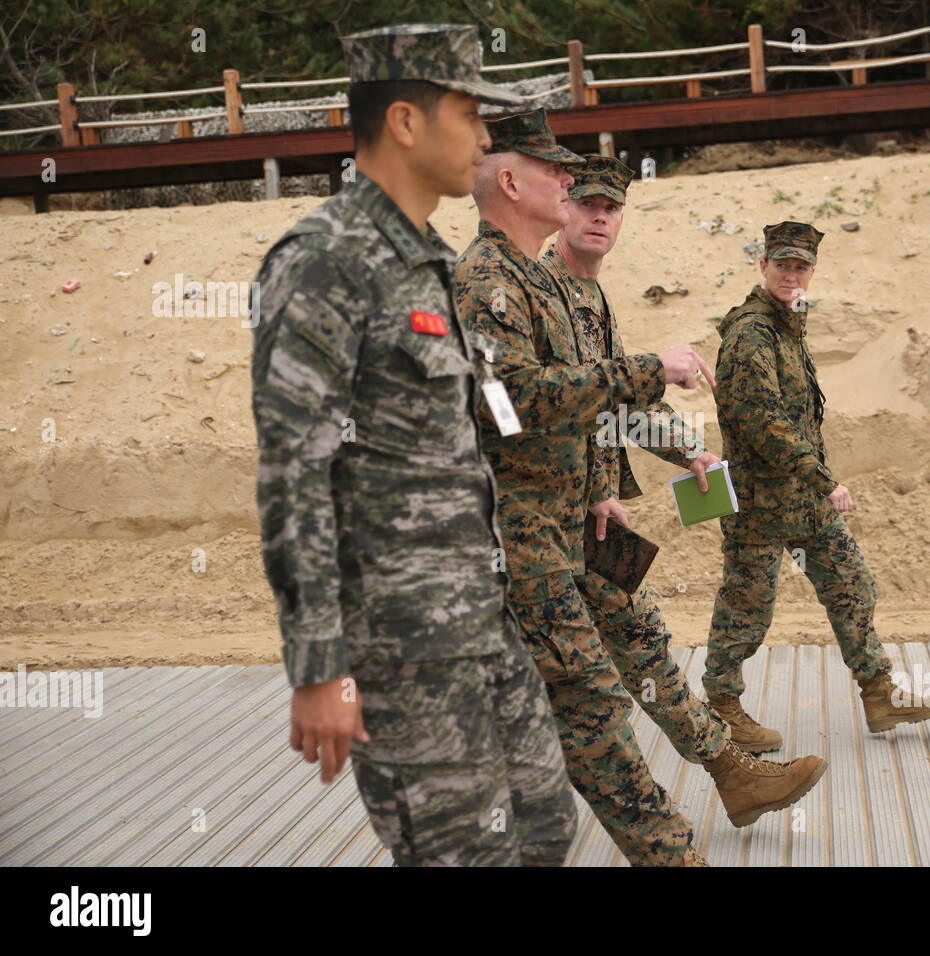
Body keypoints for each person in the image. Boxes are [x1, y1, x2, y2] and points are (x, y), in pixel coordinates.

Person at [250, 24, 574, 867]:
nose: (483, 135)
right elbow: (295, 471)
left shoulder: (429, 261)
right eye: (469, 112)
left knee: (544, 828)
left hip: (480, 625)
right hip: (400, 651)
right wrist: (319, 667)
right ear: (404, 122)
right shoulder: (325, 262)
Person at [455, 110, 721, 865]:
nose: (570, 185)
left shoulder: (535, 277)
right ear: (511, 182)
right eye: (554, 174)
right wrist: (645, 368)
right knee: (590, 700)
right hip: (519, 535)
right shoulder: (488, 281)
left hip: (564, 524)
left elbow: (570, 406)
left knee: (574, 689)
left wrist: (600, 479)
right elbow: (513, 401)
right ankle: (672, 852)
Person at [541, 155, 828, 816]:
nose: (600, 218)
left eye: (611, 208)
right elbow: (548, 401)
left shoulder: (590, 295)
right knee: (558, 674)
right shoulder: (543, 289)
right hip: (538, 523)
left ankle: (734, 776)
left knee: (637, 643)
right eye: (588, 205)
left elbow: (612, 402)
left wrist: (686, 451)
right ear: (563, 207)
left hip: (583, 517)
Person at [705, 220, 930, 749]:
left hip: (805, 502)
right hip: (761, 505)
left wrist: (815, 485)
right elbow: (763, 422)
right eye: (782, 264)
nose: (792, 274)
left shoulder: (790, 324)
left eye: (801, 266)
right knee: (747, 609)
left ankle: (879, 692)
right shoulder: (751, 334)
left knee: (851, 585)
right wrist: (823, 478)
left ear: (812, 270)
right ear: (762, 266)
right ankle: (721, 705)